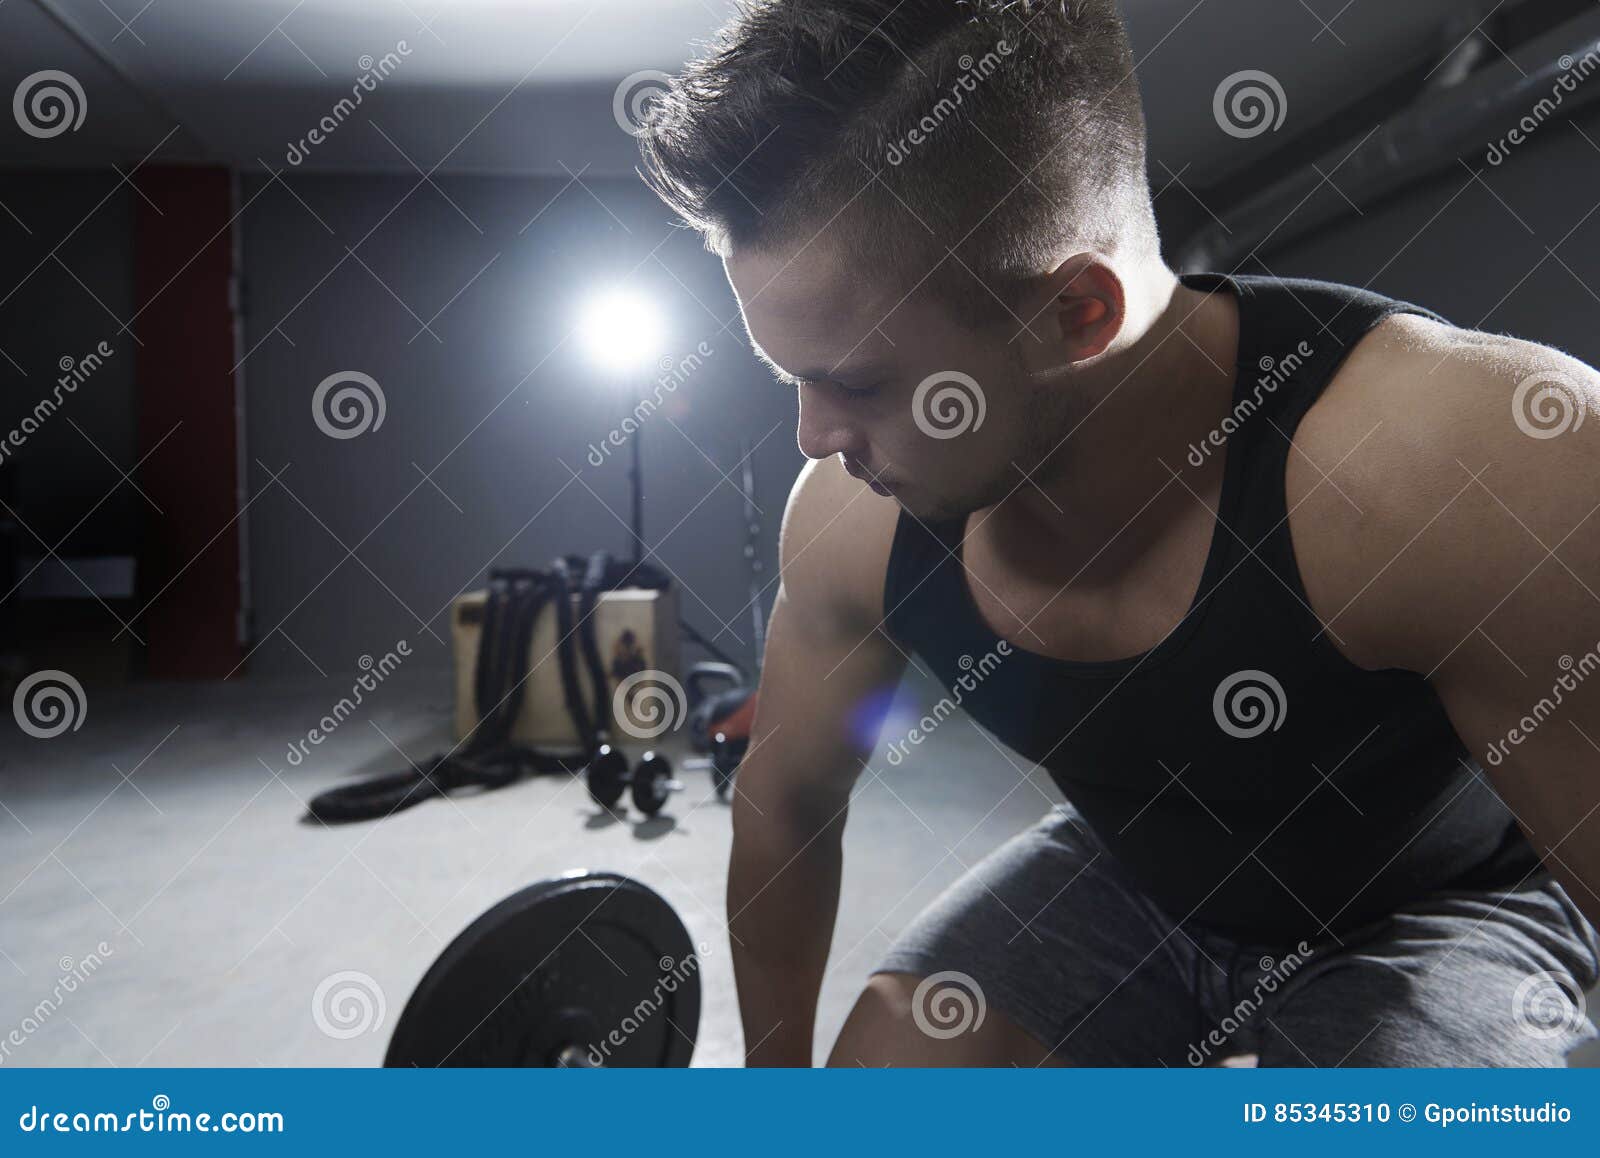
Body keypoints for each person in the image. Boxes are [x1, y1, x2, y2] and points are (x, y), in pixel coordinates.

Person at [636, 0, 1600, 1066]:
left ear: (1078, 315)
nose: (815, 437)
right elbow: (785, 810)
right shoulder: (850, 522)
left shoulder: (1463, 466)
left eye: (856, 382)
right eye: (793, 378)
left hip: (1441, 910)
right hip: (1137, 878)